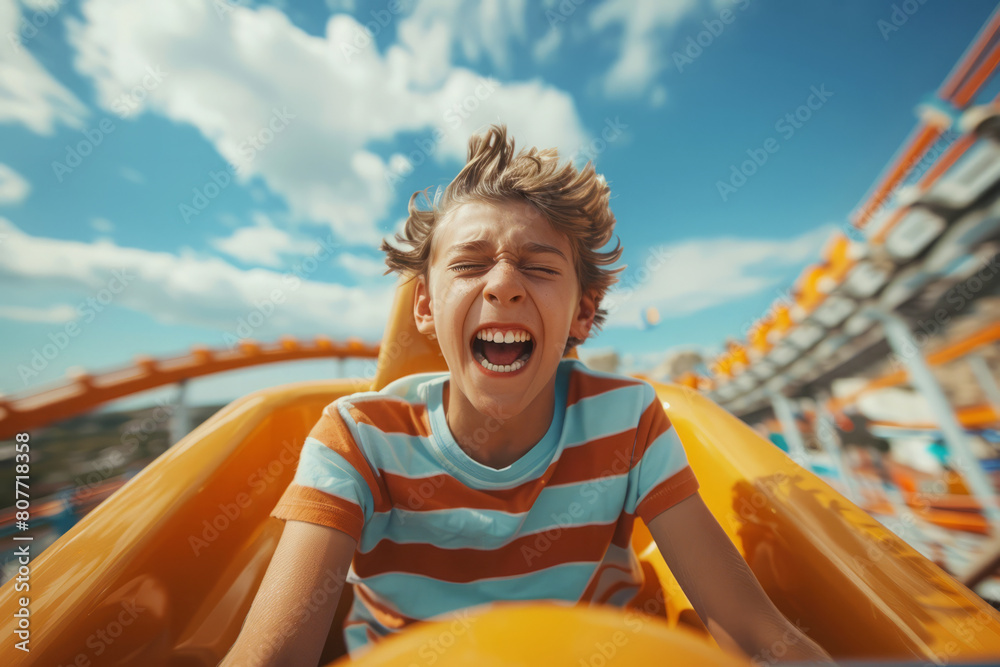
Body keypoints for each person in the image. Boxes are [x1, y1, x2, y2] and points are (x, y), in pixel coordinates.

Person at [221, 125, 834, 666]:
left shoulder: (630, 421)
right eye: (469, 264)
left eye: (539, 267)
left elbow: (756, 635)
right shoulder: (356, 439)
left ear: (582, 315)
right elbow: (268, 657)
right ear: (428, 307)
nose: (505, 286)